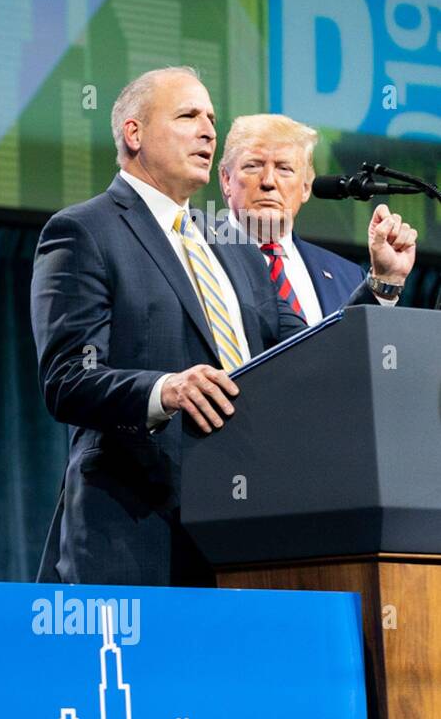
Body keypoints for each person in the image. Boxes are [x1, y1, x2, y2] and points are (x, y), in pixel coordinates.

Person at [30, 66, 416, 587]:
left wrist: (381, 285)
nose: (209, 130)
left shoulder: (233, 245)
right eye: (188, 115)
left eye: (212, 118)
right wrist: (166, 389)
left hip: (243, 531)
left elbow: (303, 354)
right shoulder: (85, 231)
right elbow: (66, 379)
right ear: (134, 133)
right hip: (136, 529)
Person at [217, 113, 386, 323]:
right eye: (253, 165)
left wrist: (386, 280)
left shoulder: (349, 277)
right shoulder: (201, 256)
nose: (268, 181)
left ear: (306, 187)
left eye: (284, 169)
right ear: (226, 179)